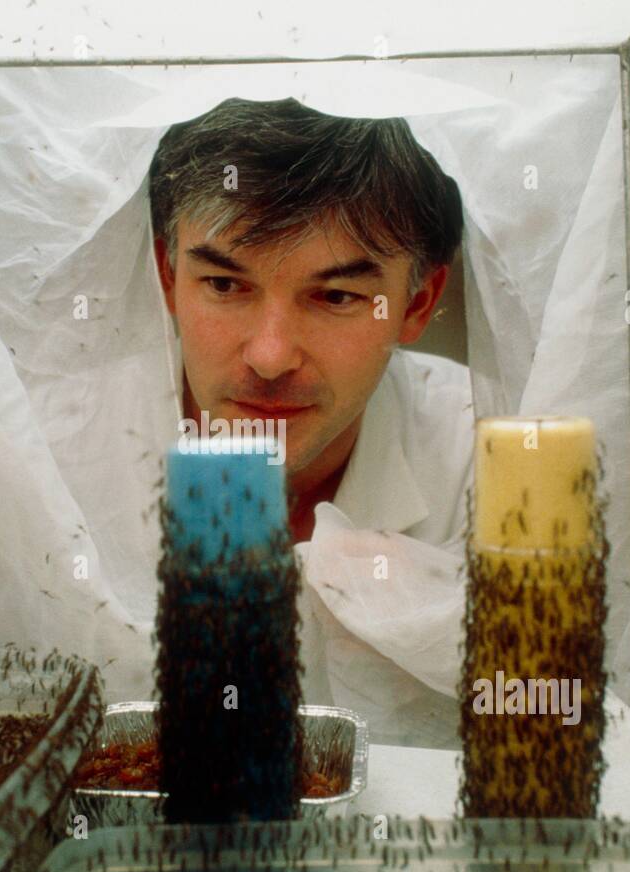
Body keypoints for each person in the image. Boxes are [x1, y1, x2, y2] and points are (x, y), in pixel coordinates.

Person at [148, 98, 475, 745]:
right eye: (222, 284)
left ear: (418, 301)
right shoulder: (42, 470)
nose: (270, 356)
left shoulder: (484, 449)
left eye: (336, 295)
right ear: (167, 275)